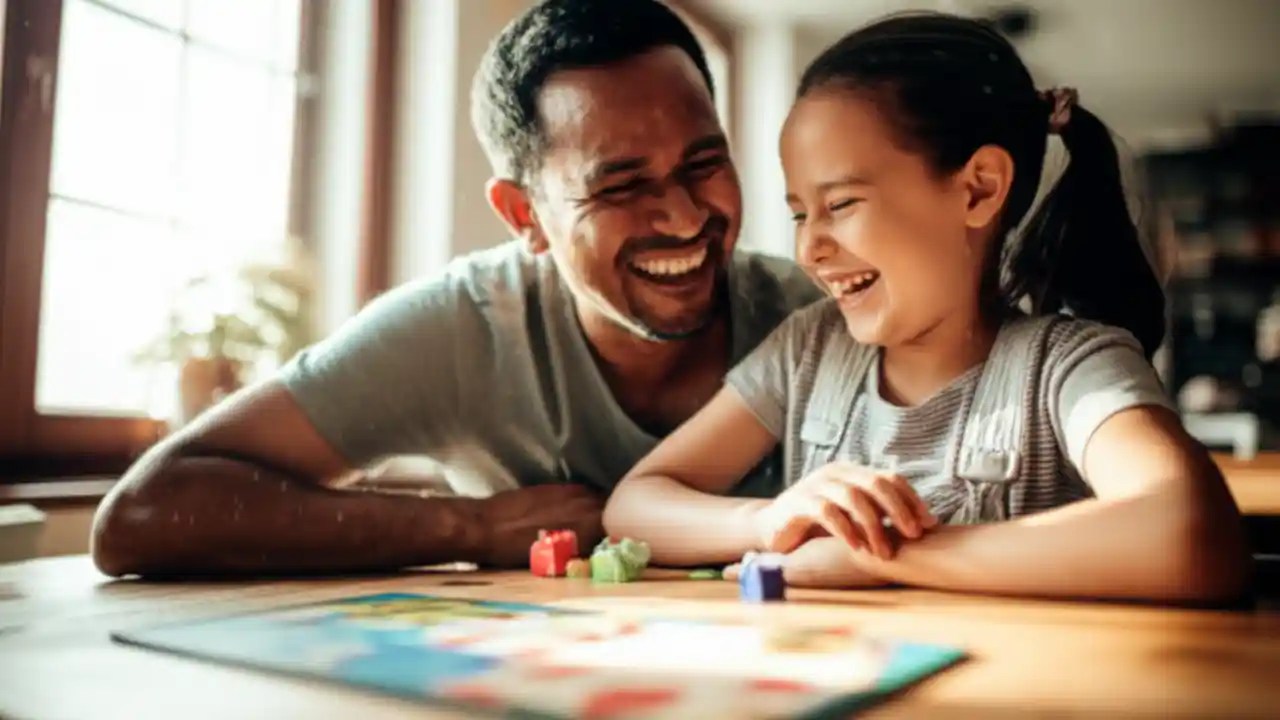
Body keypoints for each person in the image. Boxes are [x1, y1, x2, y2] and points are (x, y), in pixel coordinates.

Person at [90, 0, 820, 577]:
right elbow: (143, 515)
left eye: (702, 165)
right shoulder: (461, 329)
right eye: (623, 186)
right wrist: (466, 527)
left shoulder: (815, 319)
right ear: (524, 216)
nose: (688, 218)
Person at [603, 13, 1252, 602]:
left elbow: (1194, 536)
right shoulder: (808, 351)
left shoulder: (1068, 368)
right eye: (800, 213)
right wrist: (767, 520)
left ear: (978, 189)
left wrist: (895, 557)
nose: (810, 248)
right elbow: (634, 504)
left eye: (842, 205)